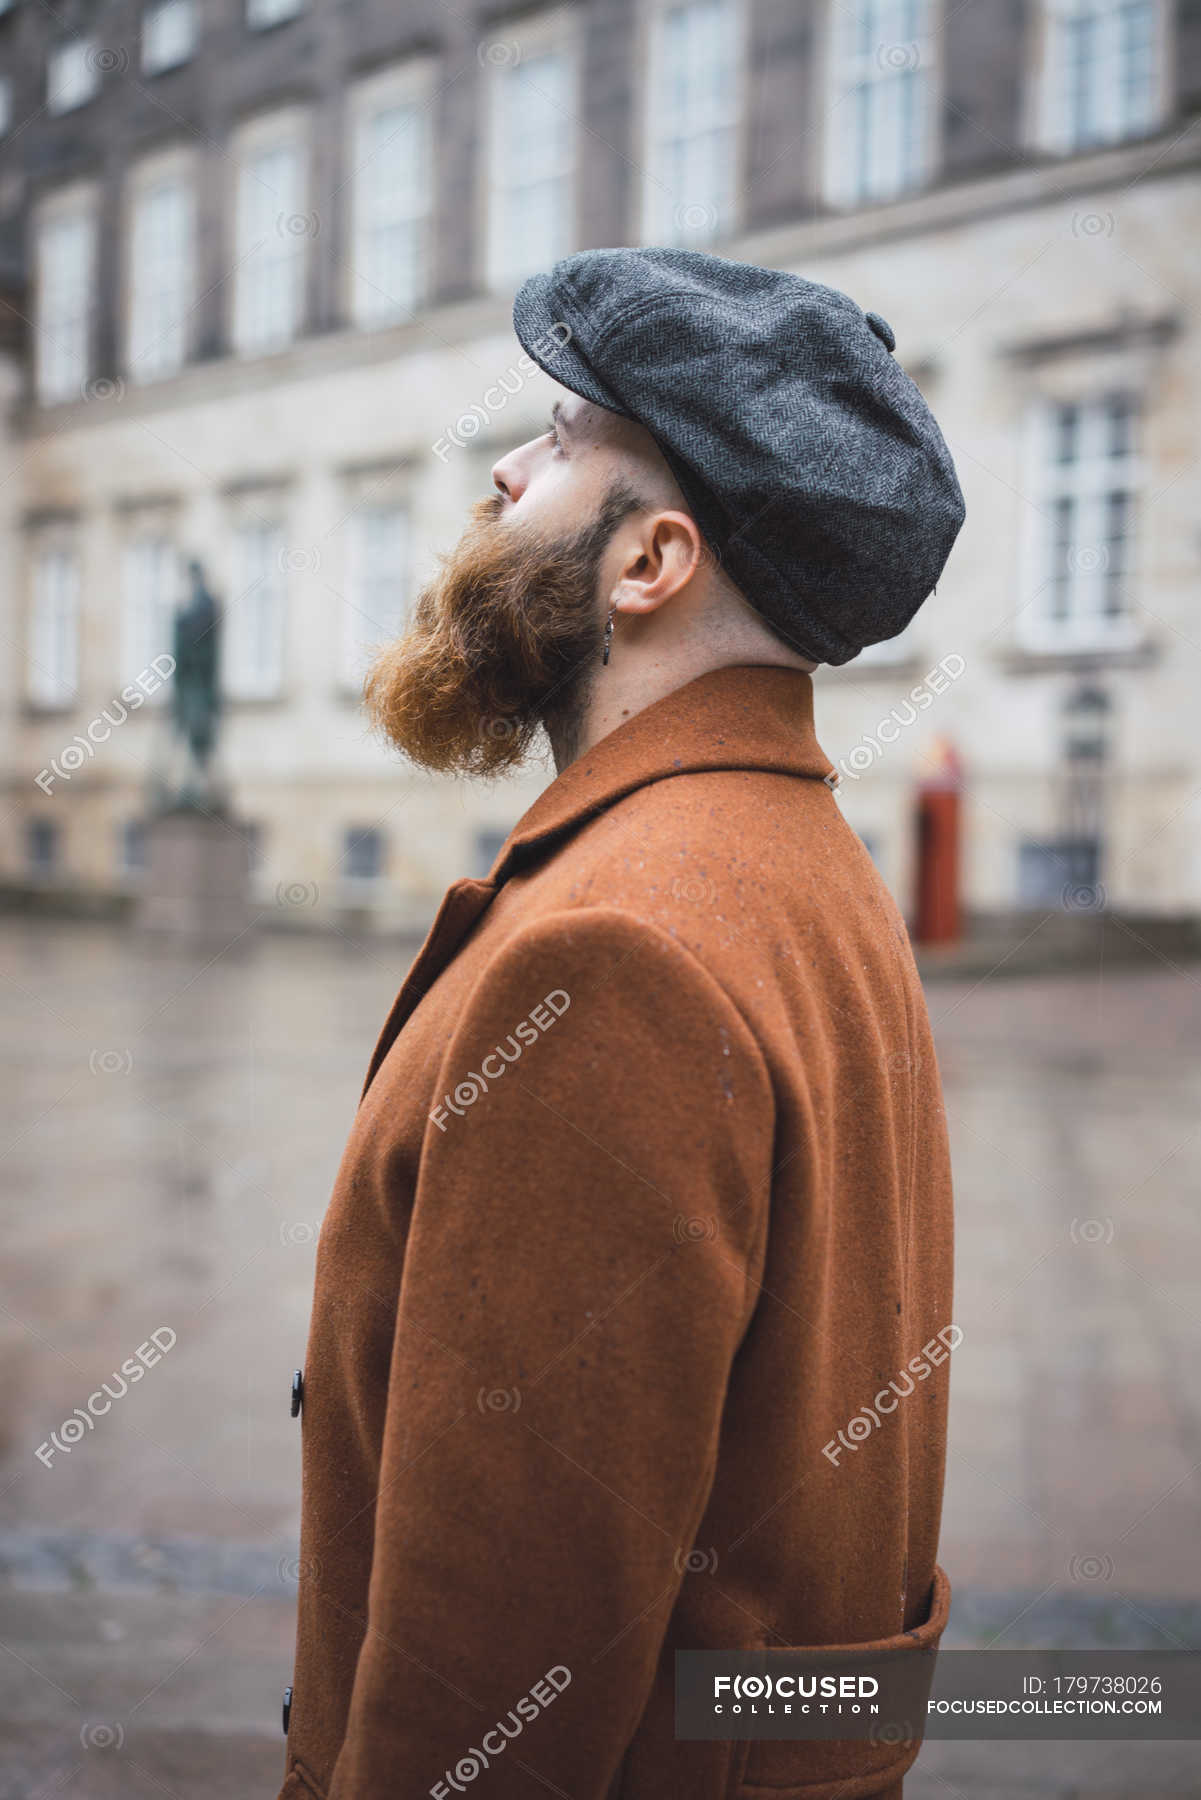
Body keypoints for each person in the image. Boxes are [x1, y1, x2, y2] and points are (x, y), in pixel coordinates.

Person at [276, 247, 965, 1800]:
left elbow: (497, 1655)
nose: (503, 473)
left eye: (558, 443)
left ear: (647, 564)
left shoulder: (612, 951)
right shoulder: (800, 862)